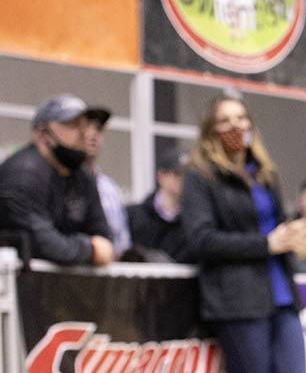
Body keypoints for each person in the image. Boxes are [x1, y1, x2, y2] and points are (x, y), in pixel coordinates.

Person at [180, 94, 306, 373]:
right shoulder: (200, 177)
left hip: (281, 295)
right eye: (225, 119)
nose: (236, 125)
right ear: (211, 129)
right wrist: (265, 244)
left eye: (241, 117)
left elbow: (276, 229)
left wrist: (299, 234)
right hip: (236, 301)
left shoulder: (264, 172)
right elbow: (199, 240)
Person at [0, 95, 113, 267]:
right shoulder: (22, 175)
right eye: (73, 125)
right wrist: (91, 249)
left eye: (85, 125)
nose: (84, 133)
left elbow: (104, 239)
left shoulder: (83, 176)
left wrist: (94, 248)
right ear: (42, 133)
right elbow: (43, 244)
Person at [126, 145, 191, 262]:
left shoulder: (193, 222)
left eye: (188, 175)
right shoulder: (133, 216)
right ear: (161, 176)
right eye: (177, 173)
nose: (183, 179)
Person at [81, 104, 130, 254]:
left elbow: (122, 241)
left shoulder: (109, 187)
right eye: (86, 128)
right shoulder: (61, 180)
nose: (93, 135)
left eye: (98, 129)